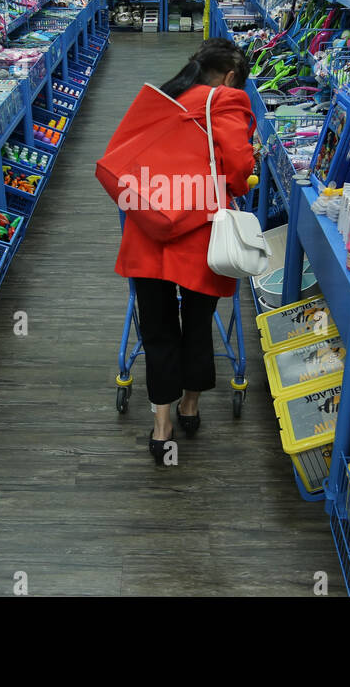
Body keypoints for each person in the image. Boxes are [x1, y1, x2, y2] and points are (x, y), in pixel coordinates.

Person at [112, 38, 256, 464]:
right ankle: (190, 406)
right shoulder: (225, 102)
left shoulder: (161, 97)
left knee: (156, 331)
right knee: (197, 323)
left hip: (149, 229)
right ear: (230, 77)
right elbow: (241, 168)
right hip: (201, 237)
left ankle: (161, 426)